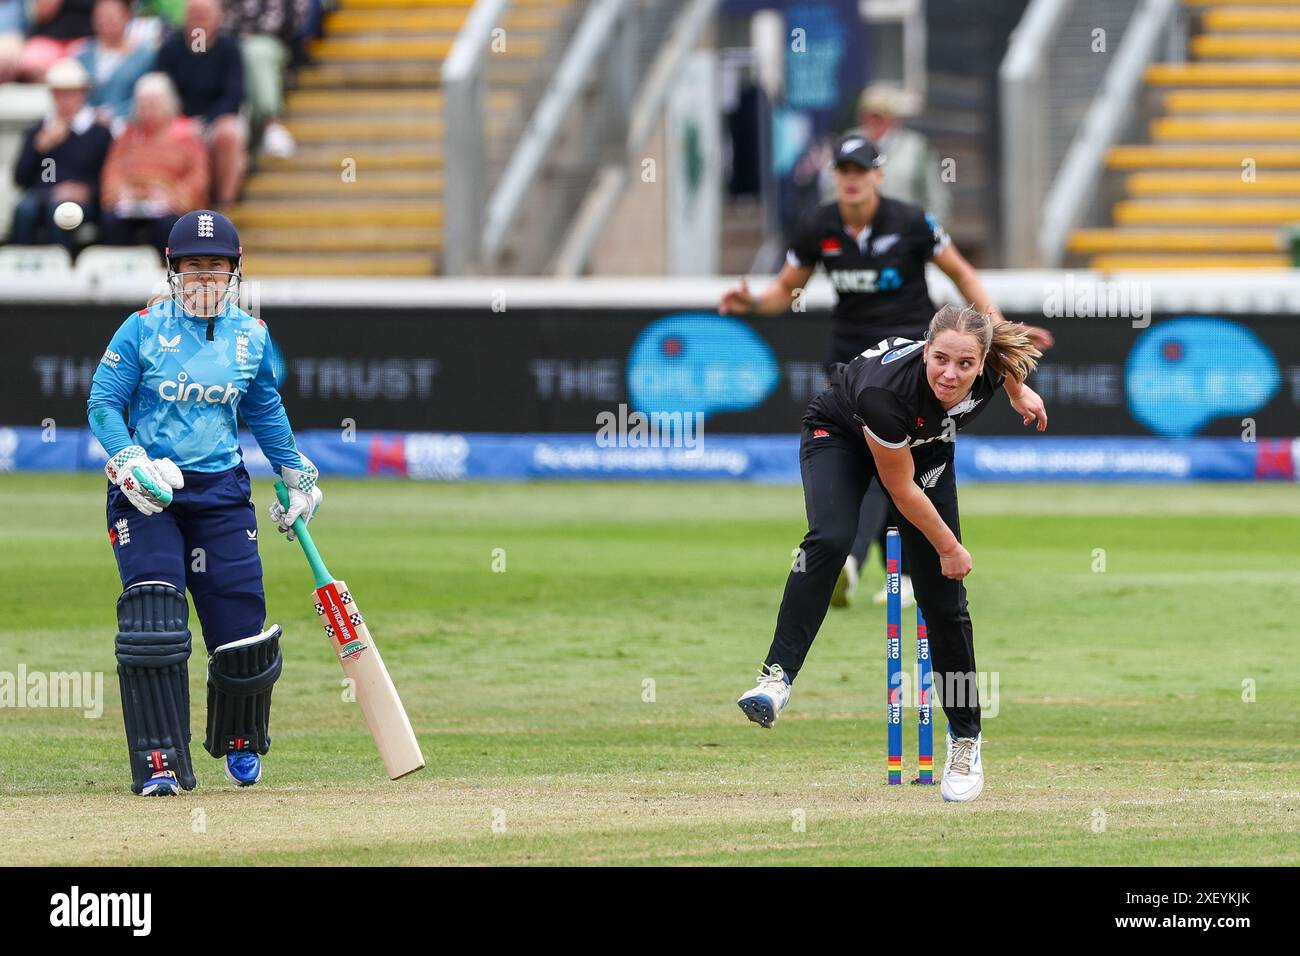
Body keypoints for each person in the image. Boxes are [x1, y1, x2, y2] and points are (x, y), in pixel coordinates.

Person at [719, 134, 1053, 608]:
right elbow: (784, 291)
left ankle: (863, 563)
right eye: (843, 171)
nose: (852, 180)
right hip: (852, 363)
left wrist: (995, 334)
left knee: (890, 464)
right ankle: (898, 569)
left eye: (861, 171)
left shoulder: (911, 221)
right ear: (834, 176)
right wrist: (751, 302)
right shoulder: (817, 226)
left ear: (878, 175)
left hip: (913, 360)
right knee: (879, 459)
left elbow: (962, 275)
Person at [735, 305, 1048, 803]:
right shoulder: (888, 393)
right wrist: (950, 546)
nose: (950, 373)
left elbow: (1005, 356)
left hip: (926, 452)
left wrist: (1019, 389)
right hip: (841, 433)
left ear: (982, 361)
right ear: (926, 350)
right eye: (940, 358)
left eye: (965, 364)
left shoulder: (991, 364)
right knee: (833, 538)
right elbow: (899, 492)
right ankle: (776, 678)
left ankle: (966, 740)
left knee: (944, 601)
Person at [86, 209, 322, 796]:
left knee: (240, 629)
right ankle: (160, 760)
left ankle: (240, 739)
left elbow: (264, 409)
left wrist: (295, 473)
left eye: (216, 267)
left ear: (235, 272)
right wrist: (129, 459)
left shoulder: (252, 336)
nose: (205, 279)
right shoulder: (140, 329)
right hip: (150, 494)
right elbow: (102, 404)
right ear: (172, 271)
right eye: (194, 266)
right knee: (155, 620)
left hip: (221, 493)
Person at [99, 72, 209, 255]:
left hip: (168, 203)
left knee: (166, 226)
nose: (148, 110)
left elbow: (198, 176)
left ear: (168, 104)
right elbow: (113, 170)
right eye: (144, 105)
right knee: (112, 222)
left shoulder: (187, 134)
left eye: (154, 104)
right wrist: (120, 193)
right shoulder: (128, 134)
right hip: (132, 201)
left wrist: (172, 198)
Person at [10, 57, 112, 250]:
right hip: (40, 196)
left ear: (82, 94)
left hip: (81, 202)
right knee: (25, 210)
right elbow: (20, 178)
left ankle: (63, 266)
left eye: (70, 93)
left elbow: (107, 175)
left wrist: (87, 190)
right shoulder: (37, 131)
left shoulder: (99, 133)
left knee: (60, 212)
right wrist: (38, 148)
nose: (63, 99)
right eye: (58, 93)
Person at [155, 0, 246, 210]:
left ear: (218, 17)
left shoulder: (229, 48)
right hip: (177, 119)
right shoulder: (170, 49)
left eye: (204, 15)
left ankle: (225, 203)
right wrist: (181, 122)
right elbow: (162, 88)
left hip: (215, 119)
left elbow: (234, 95)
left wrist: (205, 122)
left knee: (228, 133)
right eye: (194, 15)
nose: (199, 21)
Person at [818, 84, 951, 225]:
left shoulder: (915, 147)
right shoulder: (848, 143)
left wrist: (929, 234)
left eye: (879, 117)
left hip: (905, 235)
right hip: (856, 234)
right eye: (868, 116)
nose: (873, 122)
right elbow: (830, 191)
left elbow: (937, 198)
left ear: (894, 119)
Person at [76, 0, 157, 134]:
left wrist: (114, 115)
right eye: (101, 16)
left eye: (112, 17)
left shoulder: (144, 56)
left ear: (127, 16)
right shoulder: (82, 55)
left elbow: (144, 97)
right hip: (86, 131)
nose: (105, 22)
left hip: (129, 128)